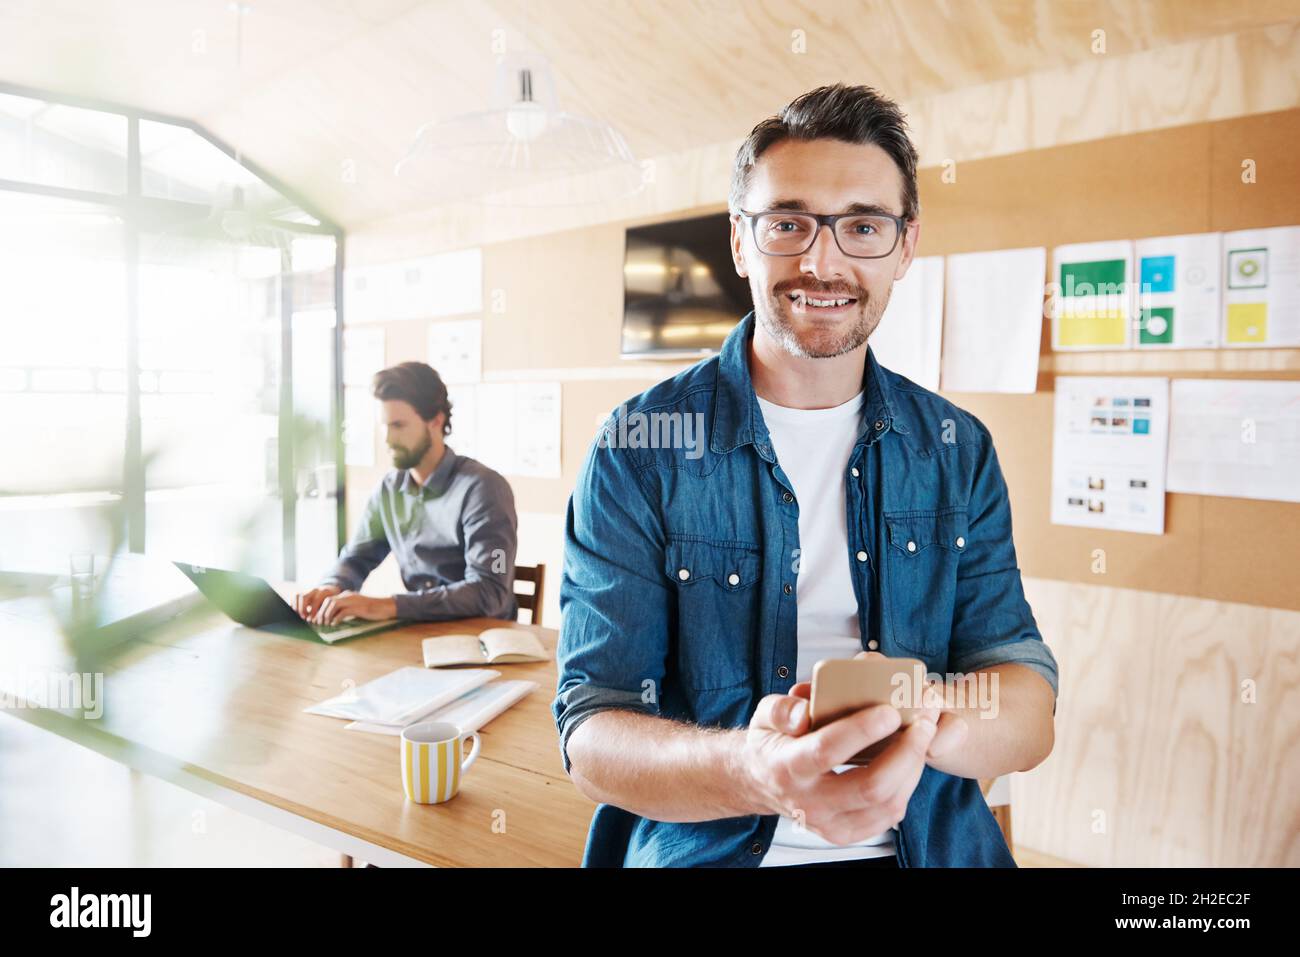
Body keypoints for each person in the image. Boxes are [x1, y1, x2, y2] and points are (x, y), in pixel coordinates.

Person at [553, 84, 1059, 867]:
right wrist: (757, 773)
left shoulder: (958, 449)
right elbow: (593, 734)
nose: (823, 261)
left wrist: (916, 716)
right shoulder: (637, 447)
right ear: (740, 242)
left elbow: (1025, 706)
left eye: (863, 226)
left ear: (906, 245)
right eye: (788, 224)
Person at [294, 361, 518, 625]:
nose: (388, 440)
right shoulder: (389, 490)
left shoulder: (485, 489)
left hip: (482, 642)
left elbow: (491, 592)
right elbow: (356, 557)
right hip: (419, 633)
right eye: (385, 426)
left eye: (399, 426)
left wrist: (389, 606)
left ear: (436, 420)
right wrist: (331, 587)